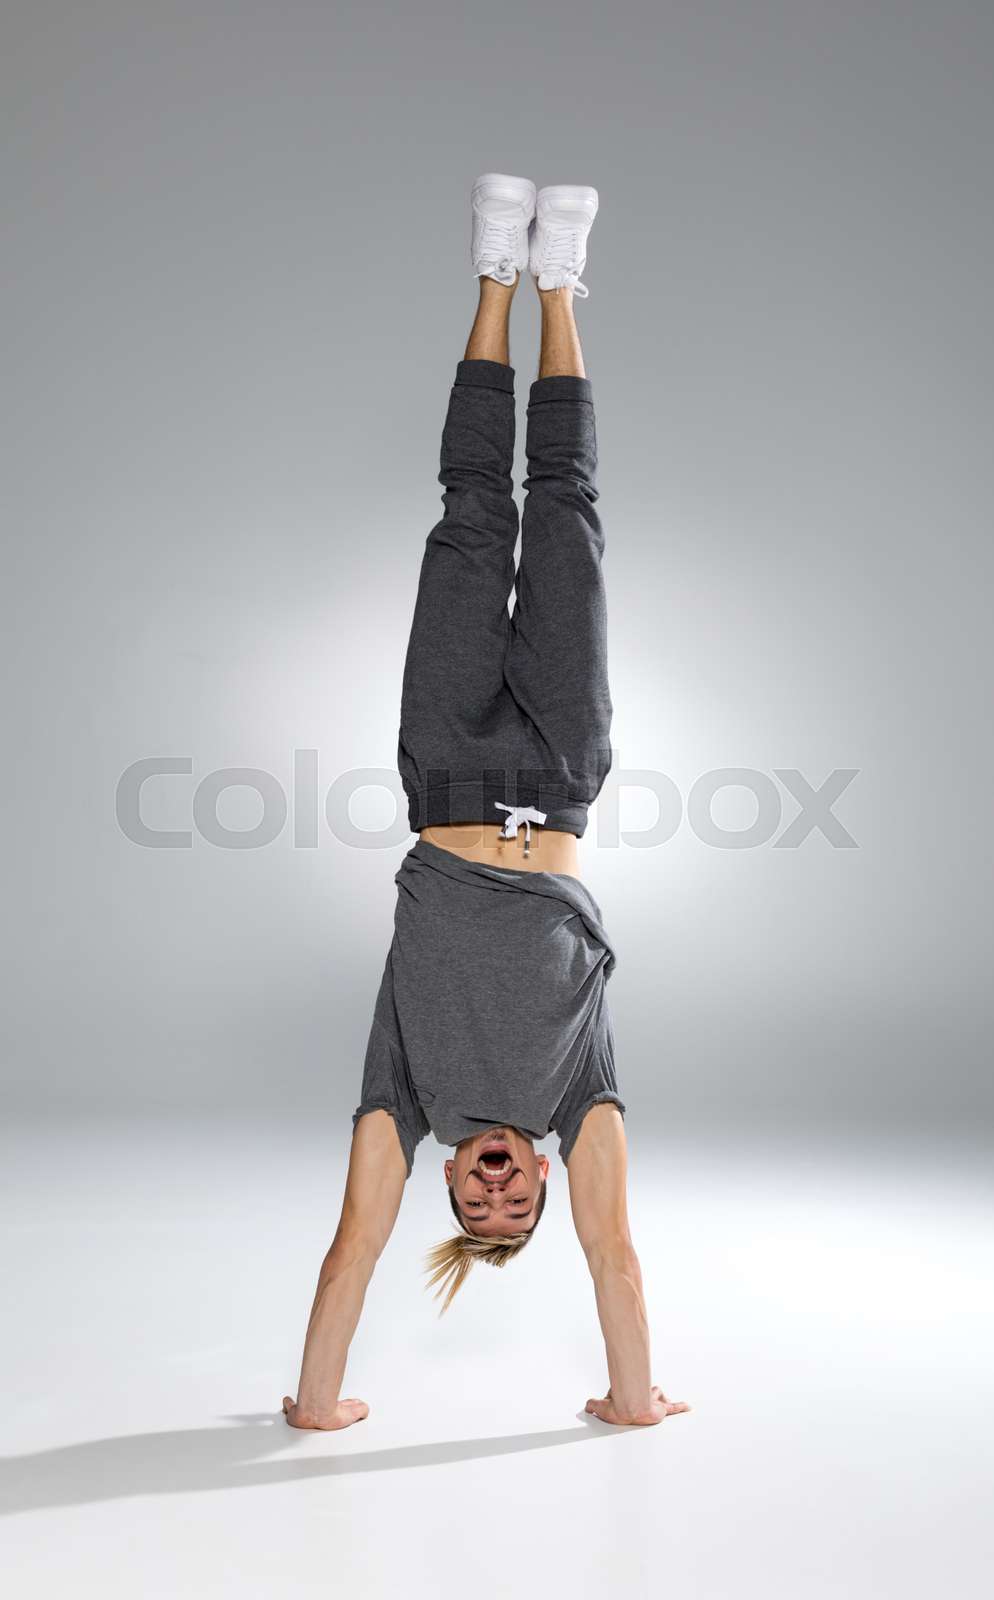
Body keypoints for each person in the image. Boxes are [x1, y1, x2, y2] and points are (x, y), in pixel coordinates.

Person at [283, 174, 689, 1432]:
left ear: (452, 1181)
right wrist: (633, 1401)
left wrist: (315, 1404)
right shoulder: (582, 1104)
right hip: (563, 773)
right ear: (539, 1186)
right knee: (565, 520)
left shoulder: (403, 1095)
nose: (502, 1196)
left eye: (480, 1206)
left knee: (471, 518)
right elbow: (615, 1258)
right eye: (521, 1208)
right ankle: (563, 286)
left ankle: (492, 278)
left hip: (445, 772)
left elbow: (351, 1248)